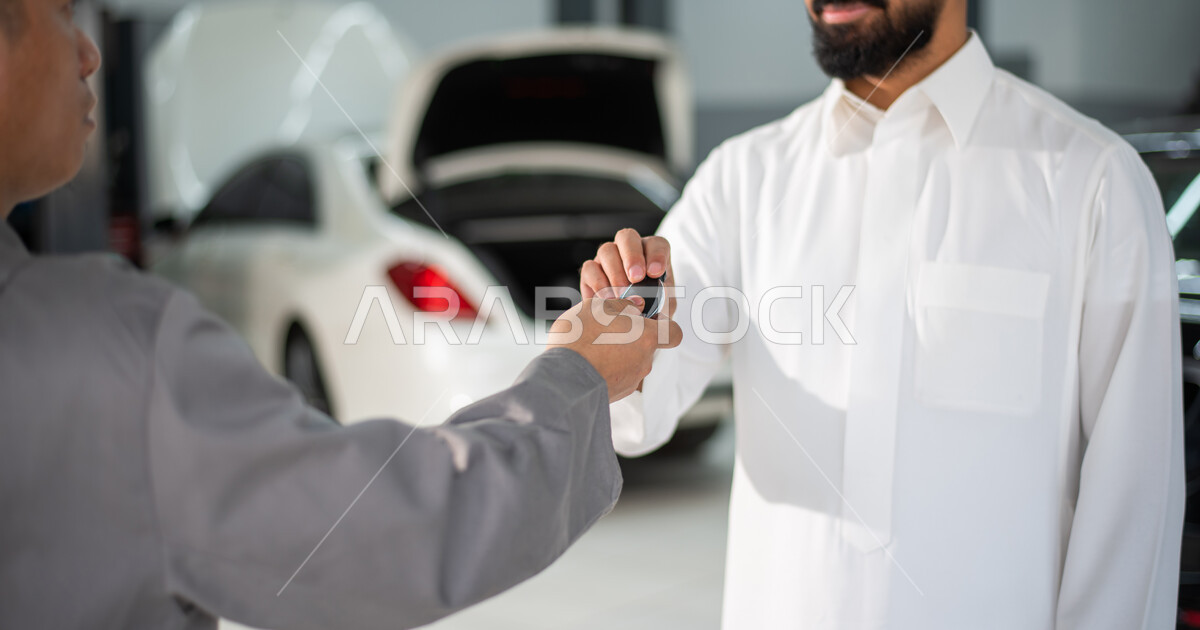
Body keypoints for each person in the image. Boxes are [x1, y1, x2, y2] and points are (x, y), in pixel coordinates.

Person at [0, 0, 682, 628]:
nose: (89, 52)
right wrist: (579, 372)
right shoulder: (109, 350)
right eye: (62, 14)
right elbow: (403, 529)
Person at [582, 0, 1184, 627]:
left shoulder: (1094, 182)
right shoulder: (741, 179)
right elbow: (635, 416)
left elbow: (1132, 508)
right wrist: (618, 322)